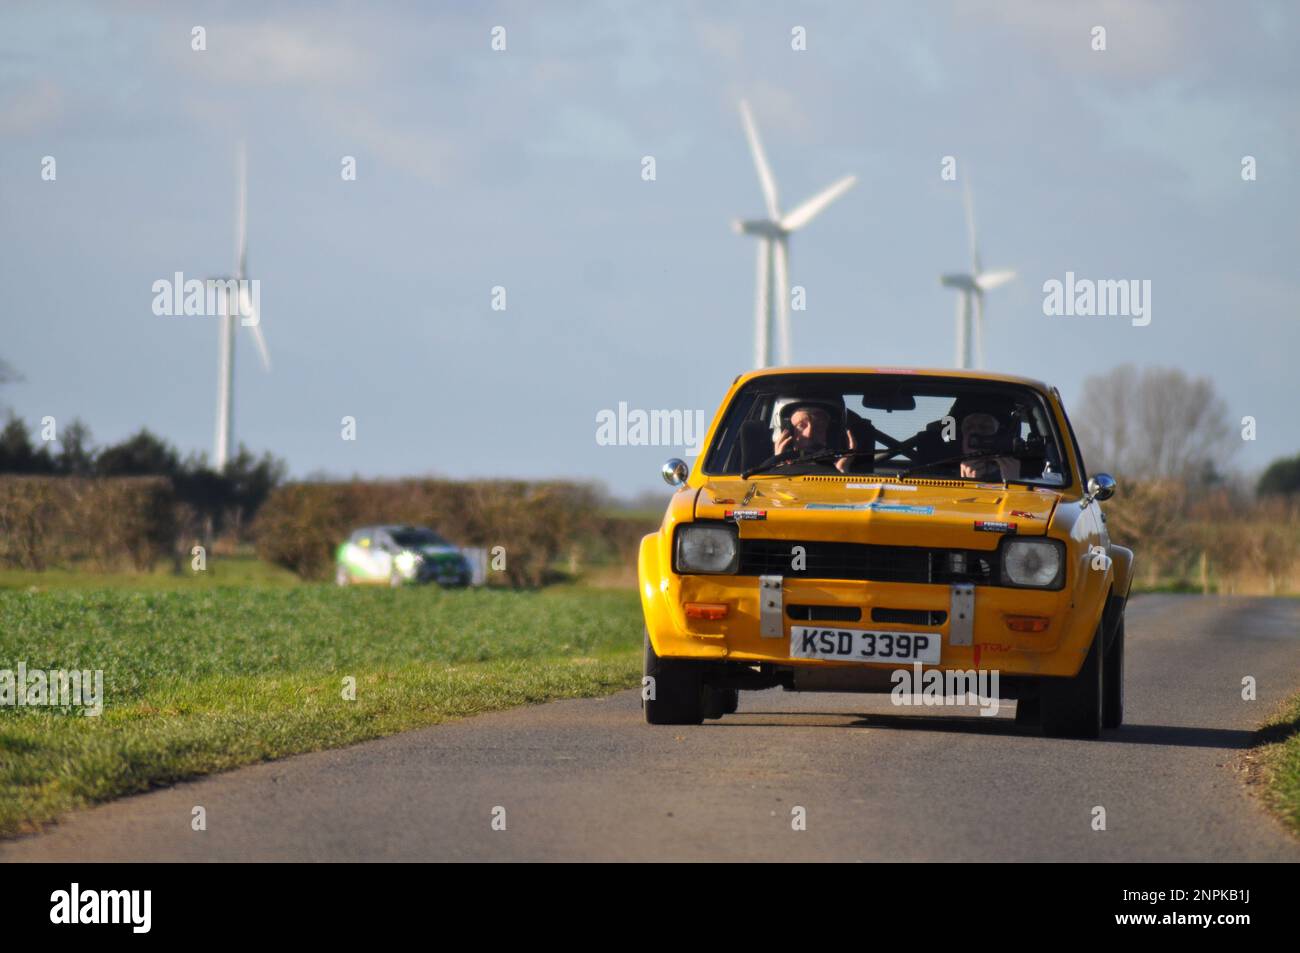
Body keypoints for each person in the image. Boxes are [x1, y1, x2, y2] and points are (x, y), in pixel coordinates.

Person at [774, 403, 856, 473]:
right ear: (789, 432)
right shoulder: (764, 469)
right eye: (801, 426)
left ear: (830, 433)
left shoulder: (863, 470)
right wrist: (779, 464)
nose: (809, 434)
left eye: (819, 426)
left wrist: (840, 471)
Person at [958, 412, 1020, 482]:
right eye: (968, 428)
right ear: (962, 439)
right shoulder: (946, 475)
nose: (974, 432)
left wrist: (1013, 481)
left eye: (985, 427)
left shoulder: (1025, 474)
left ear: (1001, 437)